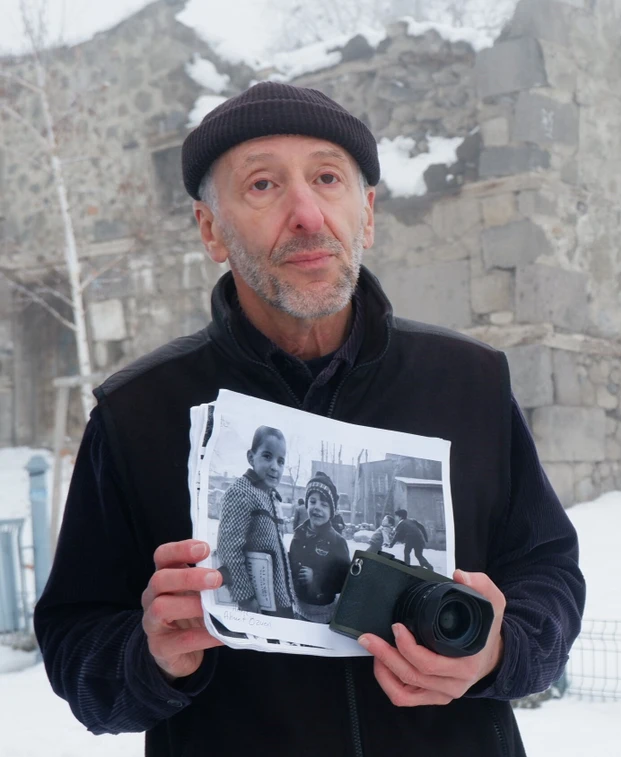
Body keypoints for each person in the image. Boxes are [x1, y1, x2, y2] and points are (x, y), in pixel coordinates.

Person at [35, 81, 585, 757]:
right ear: (211, 229)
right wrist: (148, 656)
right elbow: (74, 645)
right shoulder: (136, 412)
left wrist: (502, 647)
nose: (305, 212)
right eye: (262, 185)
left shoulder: (470, 381)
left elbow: (549, 571)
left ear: (368, 213)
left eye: (327, 177)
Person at [215, 425, 297, 617]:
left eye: (281, 461)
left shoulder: (270, 495)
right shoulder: (241, 492)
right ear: (251, 457)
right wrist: (246, 598)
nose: (275, 467)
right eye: (267, 456)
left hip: (279, 597)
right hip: (259, 605)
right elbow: (229, 549)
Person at [288, 472, 350, 624]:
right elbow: (292, 565)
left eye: (324, 504)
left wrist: (315, 578)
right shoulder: (298, 534)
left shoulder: (337, 542)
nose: (317, 508)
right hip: (298, 607)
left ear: (331, 511)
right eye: (313, 501)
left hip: (322, 613)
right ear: (307, 504)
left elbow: (344, 581)